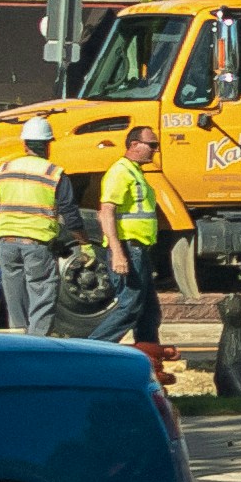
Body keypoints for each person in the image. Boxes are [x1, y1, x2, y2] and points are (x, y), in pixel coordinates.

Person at [89, 124, 171, 352]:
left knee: (149, 311)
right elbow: (106, 212)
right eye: (152, 144)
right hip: (128, 248)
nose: (155, 149)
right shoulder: (120, 171)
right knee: (131, 305)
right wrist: (117, 252)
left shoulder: (135, 172)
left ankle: (149, 354)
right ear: (134, 145)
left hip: (138, 249)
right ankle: (92, 348)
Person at [0, 117, 68, 334]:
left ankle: (19, 341)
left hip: (7, 244)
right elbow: (70, 211)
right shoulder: (53, 172)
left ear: (25, 144)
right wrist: (83, 242)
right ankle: (37, 343)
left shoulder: (4, 170)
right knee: (42, 294)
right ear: (48, 145)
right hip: (37, 244)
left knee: (15, 299)